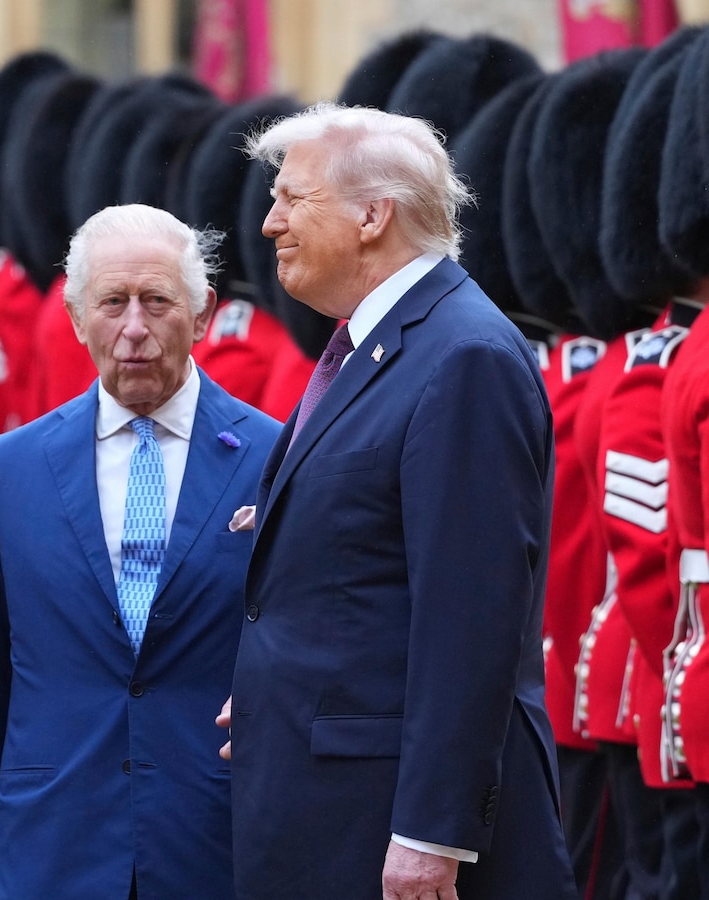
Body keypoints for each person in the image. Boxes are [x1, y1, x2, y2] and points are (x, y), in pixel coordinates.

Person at [223, 103, 576, 900]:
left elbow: (471, 617)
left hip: (389, 822)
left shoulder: (463, 356)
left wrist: (432, 831)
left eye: (292, 198)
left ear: (372, 216)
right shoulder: (376, 347)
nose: (271, 222)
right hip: (328, 796)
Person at [0, 204, 280, 899]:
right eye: (112, 303)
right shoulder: (11, 467)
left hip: (217, 843)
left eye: (157, 301)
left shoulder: (276, 457)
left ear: (202, 313)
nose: (134, 328)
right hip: (52, 845)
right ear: (75, 317)